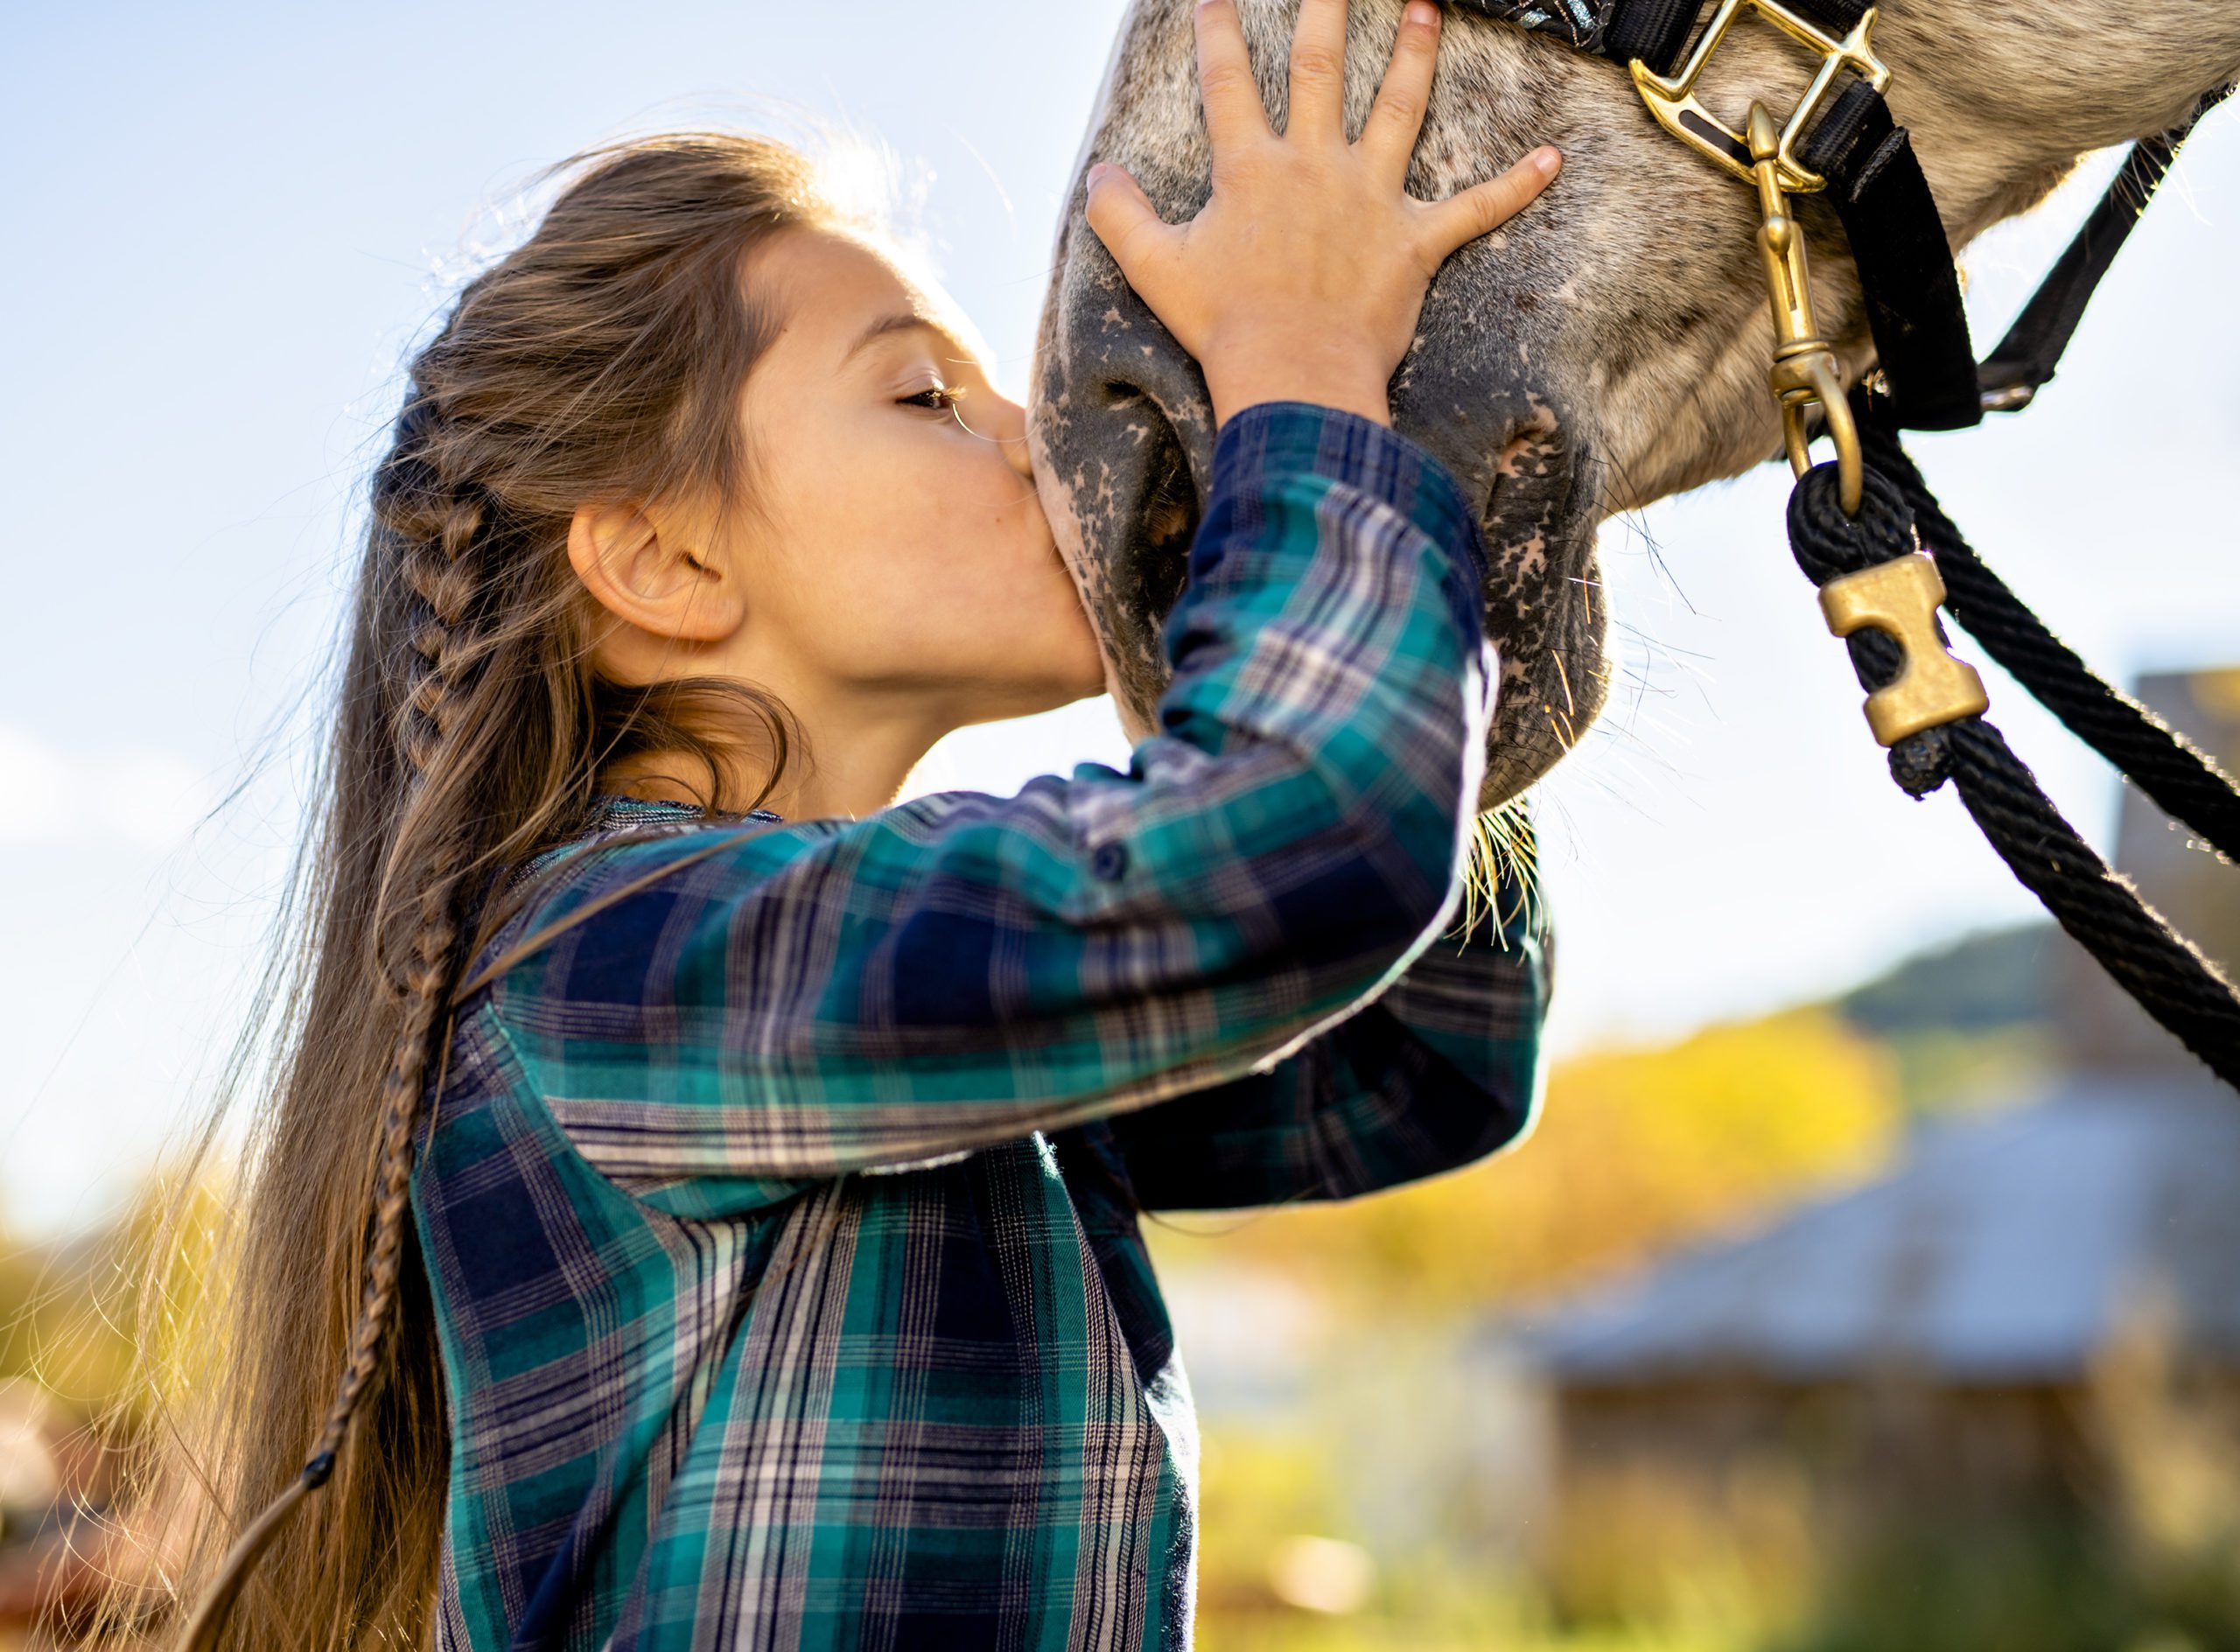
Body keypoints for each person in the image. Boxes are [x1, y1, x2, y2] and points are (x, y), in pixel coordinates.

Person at [155, 1, 1562, 1646]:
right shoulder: (611, 967)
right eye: (926, 398)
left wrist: (1345, 511)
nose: (1045, 445)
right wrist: (1306, 388)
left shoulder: (860, 1025)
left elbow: (1417, 1065)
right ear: (665, 565)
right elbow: (1305, 854)